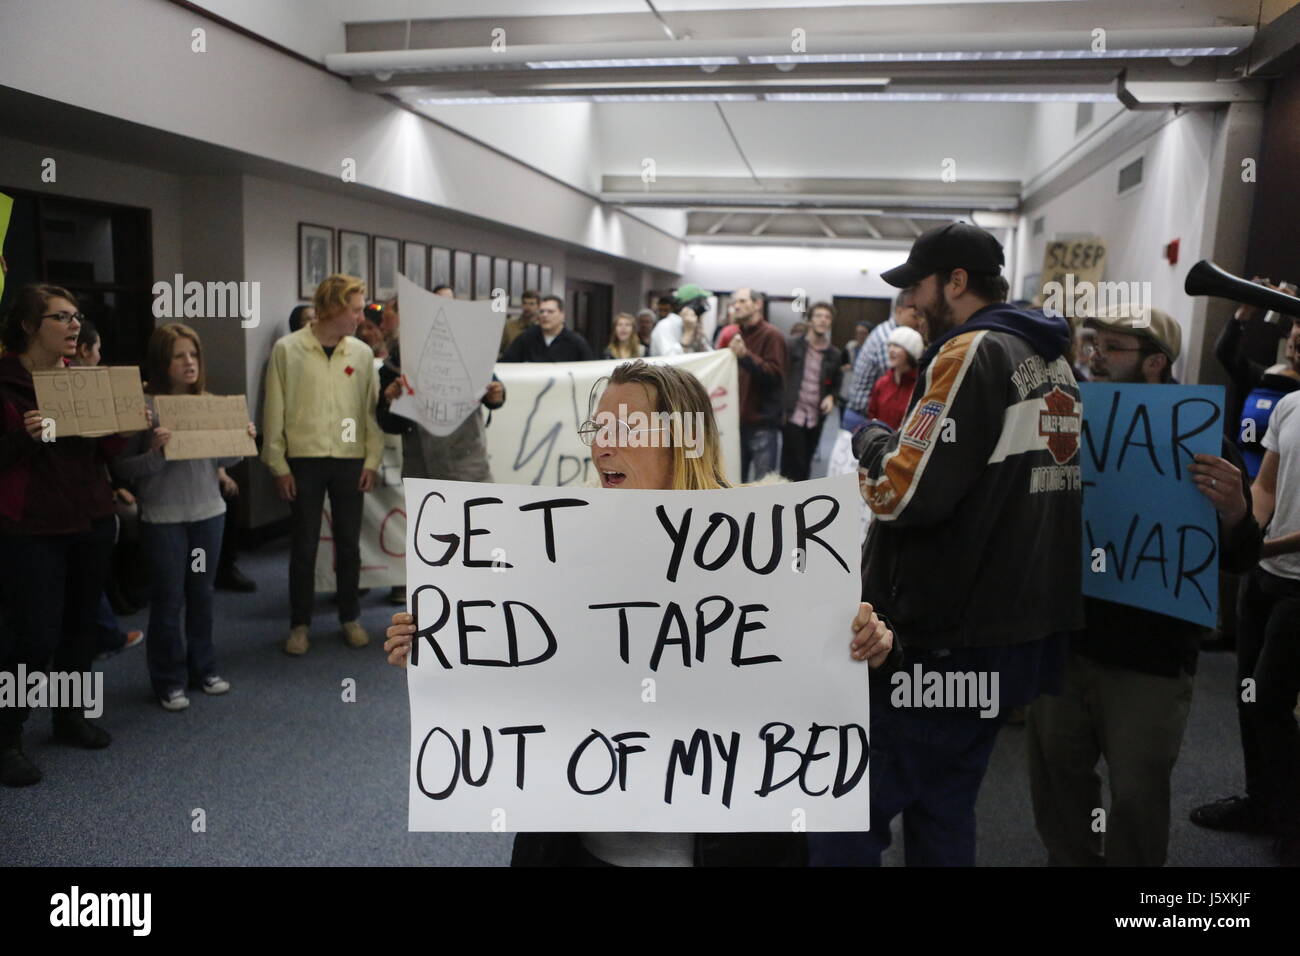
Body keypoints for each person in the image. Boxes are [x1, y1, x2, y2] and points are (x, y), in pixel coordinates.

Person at [383, 359, 898, 866]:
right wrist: (444, 650)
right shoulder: (555, 548)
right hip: (584, 848)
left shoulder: (771, 545)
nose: (602, 444)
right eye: (598, 427)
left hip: (728, 849)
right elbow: (522, 672)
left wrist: (868, 651)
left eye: (626, 428)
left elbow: (826, 694)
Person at [835, 222, 1084, 867]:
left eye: (917, 286)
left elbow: (902, 494)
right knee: (944, 808)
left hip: (943, 636)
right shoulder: (1053, 358)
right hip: (1013, 634)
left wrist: (871, 443)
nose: (911, 303)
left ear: (956, 281)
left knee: (847, 815)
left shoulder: (970, 352)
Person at [1027, 306, 1262, 867]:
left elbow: (1242, 553)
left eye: (1112, 348)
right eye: (1091, 345)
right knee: (1058, 784)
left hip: (1150, 657)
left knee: (1136, 796)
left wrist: (1234, 510)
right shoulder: (1065, 419)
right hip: (1065, 638)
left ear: (1155, 362)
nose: (1094, 358)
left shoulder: (1197, 431)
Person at [0, 286, 127, 785]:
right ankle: (8, 736)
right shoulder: (5, 384)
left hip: (90, 517)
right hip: (32, 525)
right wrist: (22, 437)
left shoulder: (82, 380)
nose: (75, 326)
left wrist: (120, 420)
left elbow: (112, 451)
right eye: (61, 318)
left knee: (80, 628)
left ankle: (69, 717)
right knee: (32, 635)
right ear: (30, 327)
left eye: (77, 317)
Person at [114, 323, 256, 711]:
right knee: (167, 600)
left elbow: (223, 461)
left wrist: (240, 440)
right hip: (163, 518)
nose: (189, 362)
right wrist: (156, 454)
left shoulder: (208, 402)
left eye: (193, 355)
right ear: (163, 361)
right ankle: (168, 680)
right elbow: (123, 468)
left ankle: (204, 669)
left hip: (208, 513)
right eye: (179, 356)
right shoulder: (143, 407)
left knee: (201, 595)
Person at [1191, 375, 1300, 866]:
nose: (1297, 334)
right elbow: (1266, 486)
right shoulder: (1291, 405)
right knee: (1247, 696)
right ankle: (1262, 804)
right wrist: (1246, 533)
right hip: (1261, 578)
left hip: (1296, 587)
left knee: (1270, 702)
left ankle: (1292, 818)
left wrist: (1259, 546)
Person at [262, 274, 383, 656]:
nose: (361, 317)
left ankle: (350, 616)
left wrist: (373, 459)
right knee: (304, 546)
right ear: (333, 309)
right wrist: (278, 463)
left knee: (348, 544)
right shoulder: (288, 350)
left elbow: (371, 411)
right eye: (356, 309)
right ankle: (300, 624)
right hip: (304, 460)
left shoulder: (361, 354)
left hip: (349, 459)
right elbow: (274, 409)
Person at [69, 319, 146, 655]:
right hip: (73, 502)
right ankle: (103, 632)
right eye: (97, 349)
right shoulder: (70, 388)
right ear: (84, 350)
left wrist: (123, 433)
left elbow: (102, 450)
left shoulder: (97, 387)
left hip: (96, 494)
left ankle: (104, 628)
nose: (100, 357)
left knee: (88, 575)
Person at [727, 287, 787, 483]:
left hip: (762, 425)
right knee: (735, 481)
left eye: (743, 301)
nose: (737, 306)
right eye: (735, 302)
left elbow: (775, 375)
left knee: (763, 487)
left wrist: (746, 356)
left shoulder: (772, 335)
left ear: (757, 304)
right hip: (737, 423)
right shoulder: (736, 335)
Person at [780, 301, 842, 481]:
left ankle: (799, 504)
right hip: (793, 413)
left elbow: (836, 384)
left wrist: (831, 397)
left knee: (806, 462)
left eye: (827, 317)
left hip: (816, 416)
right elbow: (781, 376)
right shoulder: (792, 346)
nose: (823, 320)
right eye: (819, 316)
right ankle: (780, 502)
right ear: (810, 321)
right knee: (791, 463)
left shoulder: (834, 354)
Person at [845, 290, 922, 430]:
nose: (918, 322)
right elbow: (895, 379)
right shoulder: (889, 337)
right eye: (914, 316)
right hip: (863, 416)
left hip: (868, 413)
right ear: (899, 312)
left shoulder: (890, 331)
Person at [500, 295, 595, 363]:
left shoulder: (576, 342)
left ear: (562, 315)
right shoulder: (526, 338)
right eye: (541, 311)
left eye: (550, 311)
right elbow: (507, 363)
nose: (545, 315)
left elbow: (589, 370)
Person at [865, 326, 923, 431]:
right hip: (880, 443)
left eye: (897, 346)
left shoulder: (919, 387)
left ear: (910, 353)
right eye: (890, 346)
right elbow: (872, 415)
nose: (891, 350)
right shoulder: (882, 383)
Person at [649, 284, 711, 357]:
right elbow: (670, 361)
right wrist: (688, 334)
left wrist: (699, 336)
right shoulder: (665, 326)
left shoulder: (691, 326)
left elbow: (708, 356)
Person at [838, 321, 871, 407]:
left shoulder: (872, 350)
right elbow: (839, 365)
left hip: (863, 394)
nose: (860, 336)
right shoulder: (850, 347)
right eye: (858, 333)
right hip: (846, 388)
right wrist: (844, 368)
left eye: (864, 333)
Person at [499, 290, 541, 357]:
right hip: (512, 364)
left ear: (538, 306)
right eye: (524, 303)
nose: (527, 307)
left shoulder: (542, 328)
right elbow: (498, 350)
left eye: (531, 304)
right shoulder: (509, 326)